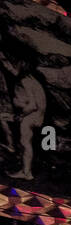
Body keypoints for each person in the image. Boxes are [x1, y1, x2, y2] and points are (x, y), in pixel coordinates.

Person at [0, 50, 46, 182]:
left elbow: (32, 105)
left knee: (25, 144)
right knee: (25, 142)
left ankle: (26, 172)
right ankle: (23, 166)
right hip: (36, 116)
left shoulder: (25, 80)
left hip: (31, 116)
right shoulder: (32, 79)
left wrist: (19, 116)